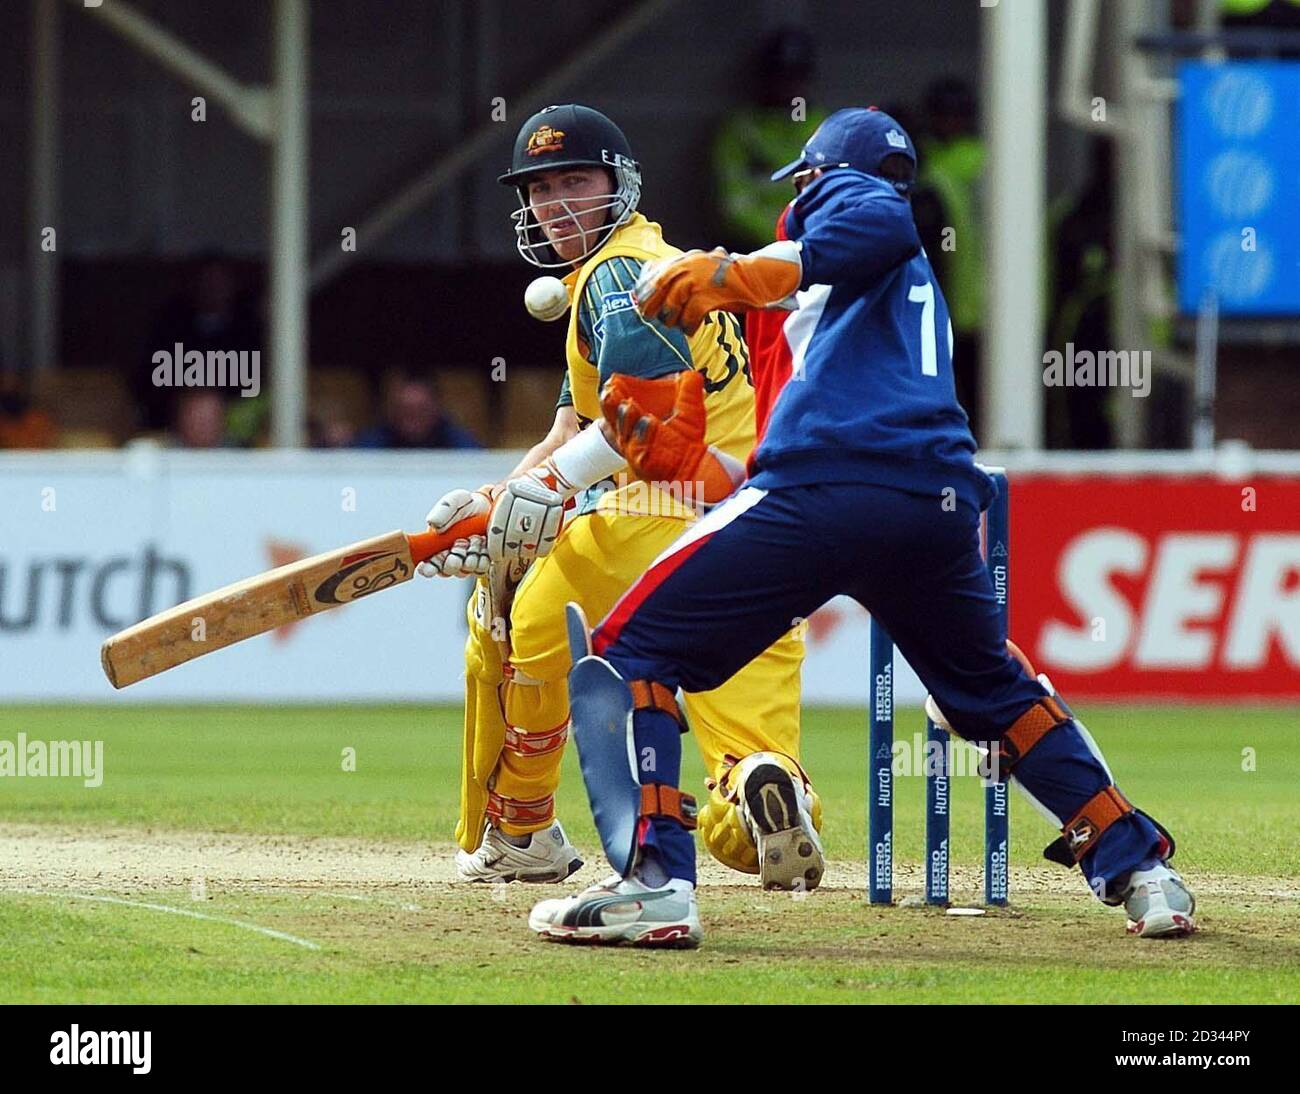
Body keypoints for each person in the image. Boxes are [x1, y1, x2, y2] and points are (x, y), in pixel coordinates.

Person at [529, 107, 1197, 947]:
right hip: (933, 507)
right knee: (993, 695)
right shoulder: (833, 310)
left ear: (816, 180)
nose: (802, 202)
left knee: (629, 658)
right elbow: (759, 464)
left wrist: (731, 272)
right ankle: (1144, 870)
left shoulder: (850, 203)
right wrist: (680, 464)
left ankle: (655, 883)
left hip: (827, 491)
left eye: (806, 187)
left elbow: (874, 213)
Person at [419, 104, 819, 893]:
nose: (556, 204)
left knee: (519, 619)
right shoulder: (637, 268)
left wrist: (553, 487)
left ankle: (521, 828)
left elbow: (652, 414)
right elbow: (579, 423)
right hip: (762, 534)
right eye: (539, 190)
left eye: (575, 182)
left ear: (619, 186)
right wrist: (500, 496)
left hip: (660, 513)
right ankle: (764, 793)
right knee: (744, 782)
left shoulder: (615, 274)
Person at [354, 373, 480, 449]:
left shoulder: (454, 438)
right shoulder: (378, 436)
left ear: (436, 408)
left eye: (421, 411)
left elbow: (477, 464)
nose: (413, 419)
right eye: (405, 411)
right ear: (393, 410)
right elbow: (356, 462)